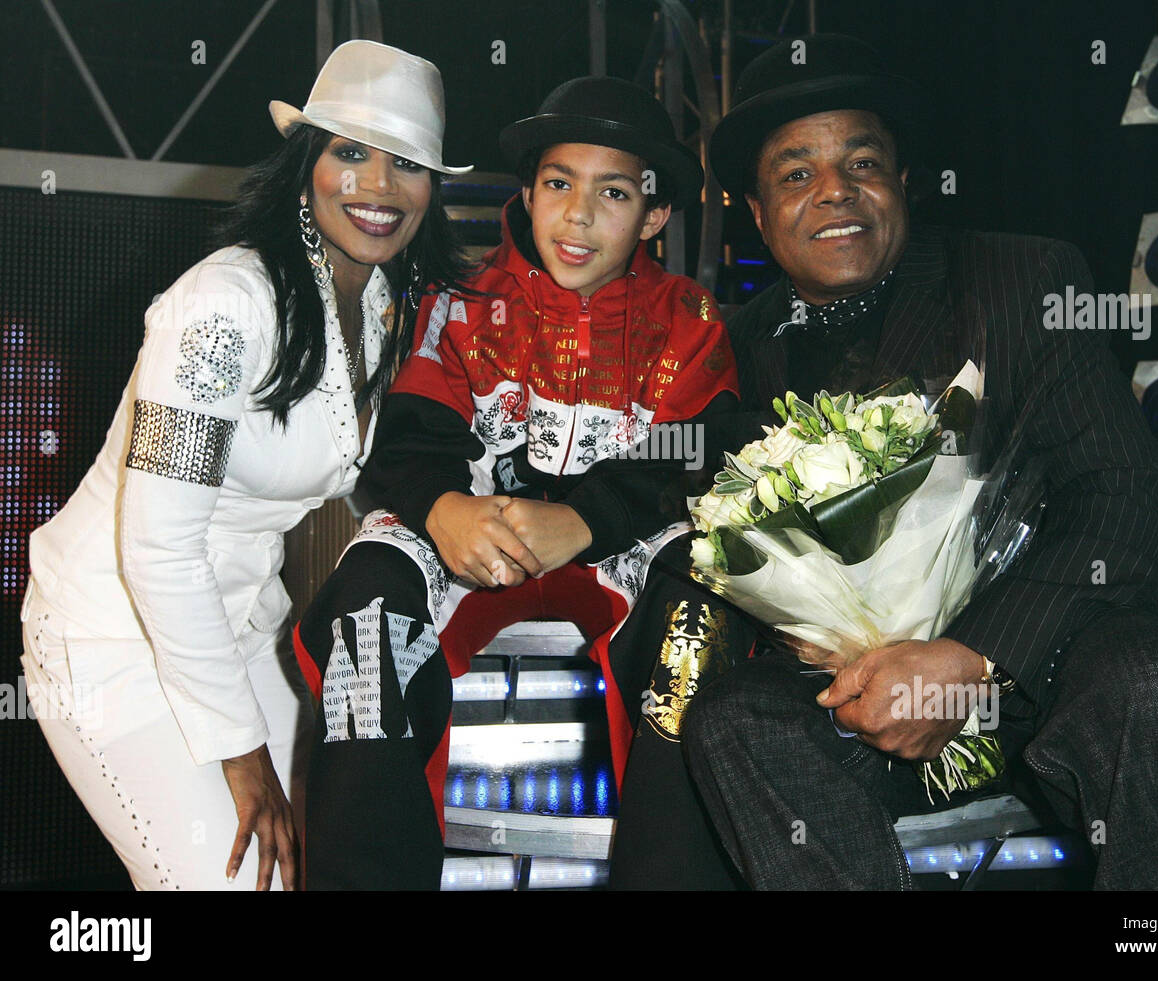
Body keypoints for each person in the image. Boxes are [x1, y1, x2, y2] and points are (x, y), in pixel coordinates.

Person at [629, 33, 1158, 890]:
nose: (835, 194)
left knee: (1157, 684)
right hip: (848, 702)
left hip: (1041, 674)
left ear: (903, 181)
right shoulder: (730, 348)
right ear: (753, 209)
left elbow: (1127, 499)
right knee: (735, 718)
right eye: (796, 174)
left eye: (862, 162)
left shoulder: (1023, 278)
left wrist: (971, 658)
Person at [20, 39, 476, 890]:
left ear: (432, 189)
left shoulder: (380, 302)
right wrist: (242, 754)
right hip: (113, 630)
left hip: (239, 626)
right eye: (350, 153)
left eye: (407, 164)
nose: (377, 186)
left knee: (321, 865)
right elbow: (156, 547)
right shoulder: (219, 313)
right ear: (308, 162)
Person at [291, 76, 740, 889]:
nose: (578, 214)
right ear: (527, 193)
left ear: (656, 214)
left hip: (622, 553)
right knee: (366, 609)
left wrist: (588, 521)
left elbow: (699, 448)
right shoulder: (459, 298)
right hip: (472, 540)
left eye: (614, 192)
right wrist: (444, 507)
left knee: (704, 620)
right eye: (559, 184)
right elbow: (405, 438)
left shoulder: (691, 316)